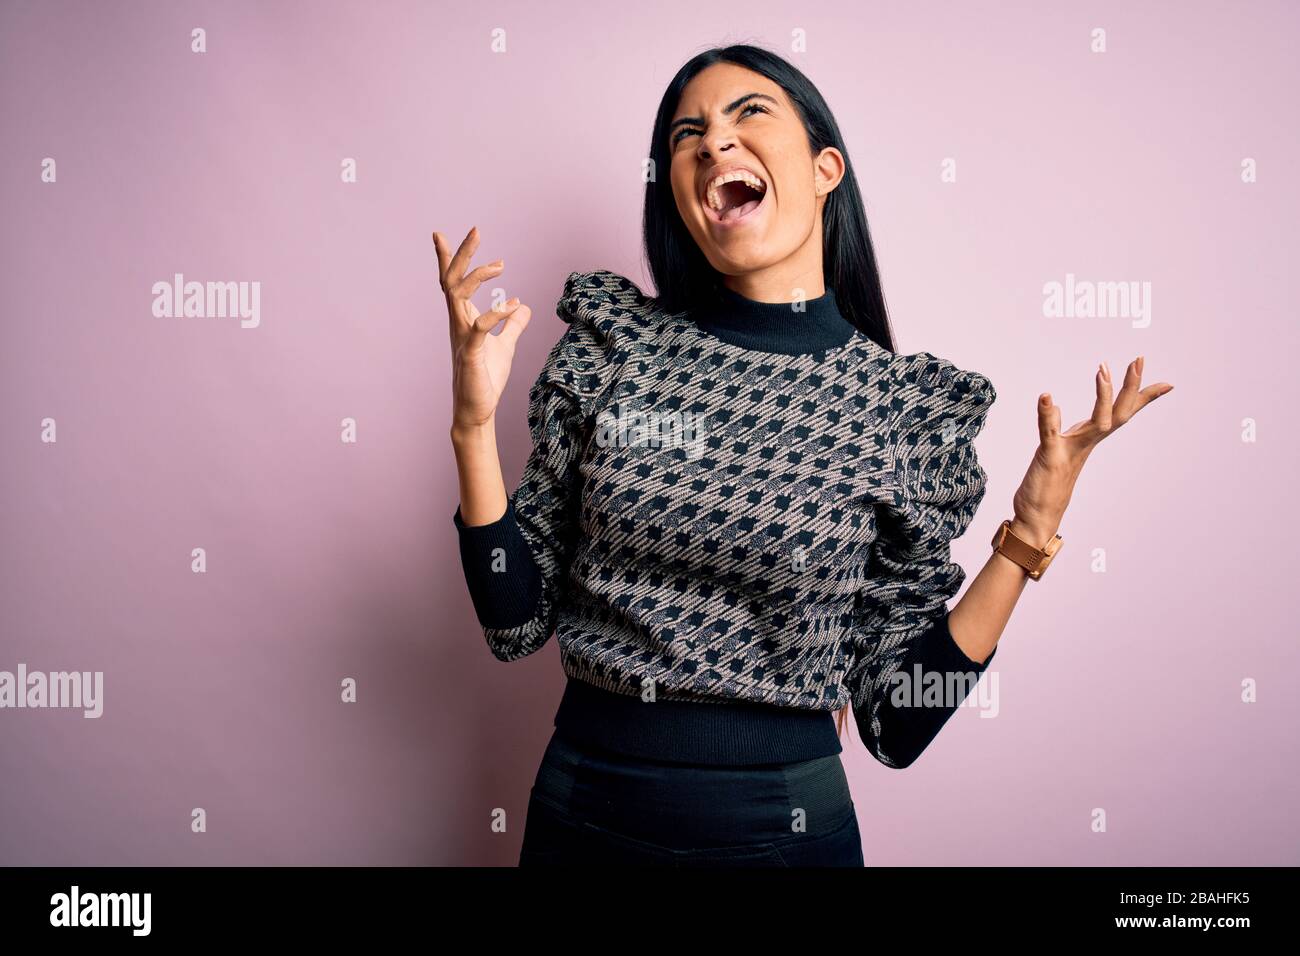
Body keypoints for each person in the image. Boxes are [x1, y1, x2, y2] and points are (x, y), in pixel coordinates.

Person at [434, 45, 1173, 867]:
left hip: (782, 833)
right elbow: (515, 623)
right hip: (583, 819)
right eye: (688, 133)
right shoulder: (615, 347)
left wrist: (1028, 533)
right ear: (677, 195)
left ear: (826, 168)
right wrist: (472, 429)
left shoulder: (900, 410)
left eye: (748, 113)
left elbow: (897, 723)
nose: (714, 143)